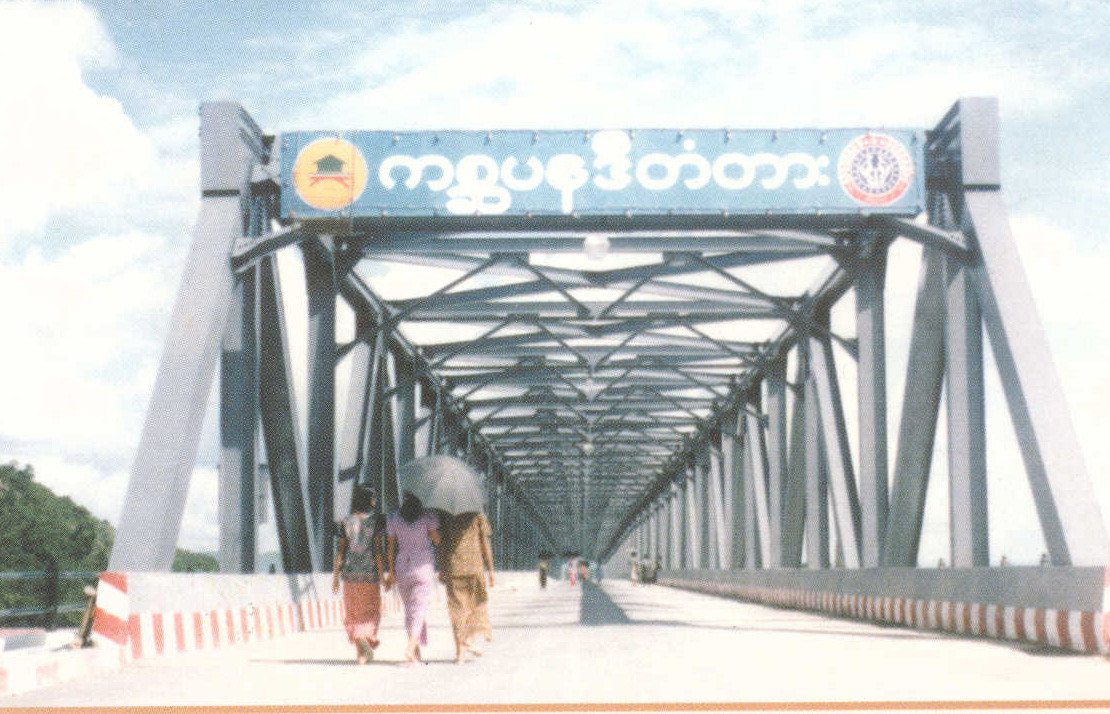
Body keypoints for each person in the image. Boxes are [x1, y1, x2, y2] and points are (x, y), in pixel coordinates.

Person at [385, 492, 441, 665]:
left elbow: (390, 547)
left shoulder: (394, 518)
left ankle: (415, 652)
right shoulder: (427, 517)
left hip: (402, 567)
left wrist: (391, 572)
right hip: (423, 566)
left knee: (410, 610)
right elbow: (437, 540)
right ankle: (410, 648)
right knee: (418, 609)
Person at [331, 486, 385, 664]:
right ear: (368, 500)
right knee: (370, 611)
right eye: (374, 498)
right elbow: (377, 551)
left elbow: (340, 550)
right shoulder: (376, 521)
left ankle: (361, 651)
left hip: (350, 576)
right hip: (370, 575)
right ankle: (364, 640)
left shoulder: (344, 522)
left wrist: (335, 577)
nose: (375, 501)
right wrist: (382, 576)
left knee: (353, 612)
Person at [437, 510, 495, 664]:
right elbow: (485, 542)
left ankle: (460, 654)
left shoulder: (445, 514)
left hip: (453, 566)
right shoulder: (477, 514)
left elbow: (442, 544)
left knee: (457, 609)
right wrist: (491, 570)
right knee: (474, 606)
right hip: (474, 567)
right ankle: (469, 640)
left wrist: (442, 568)